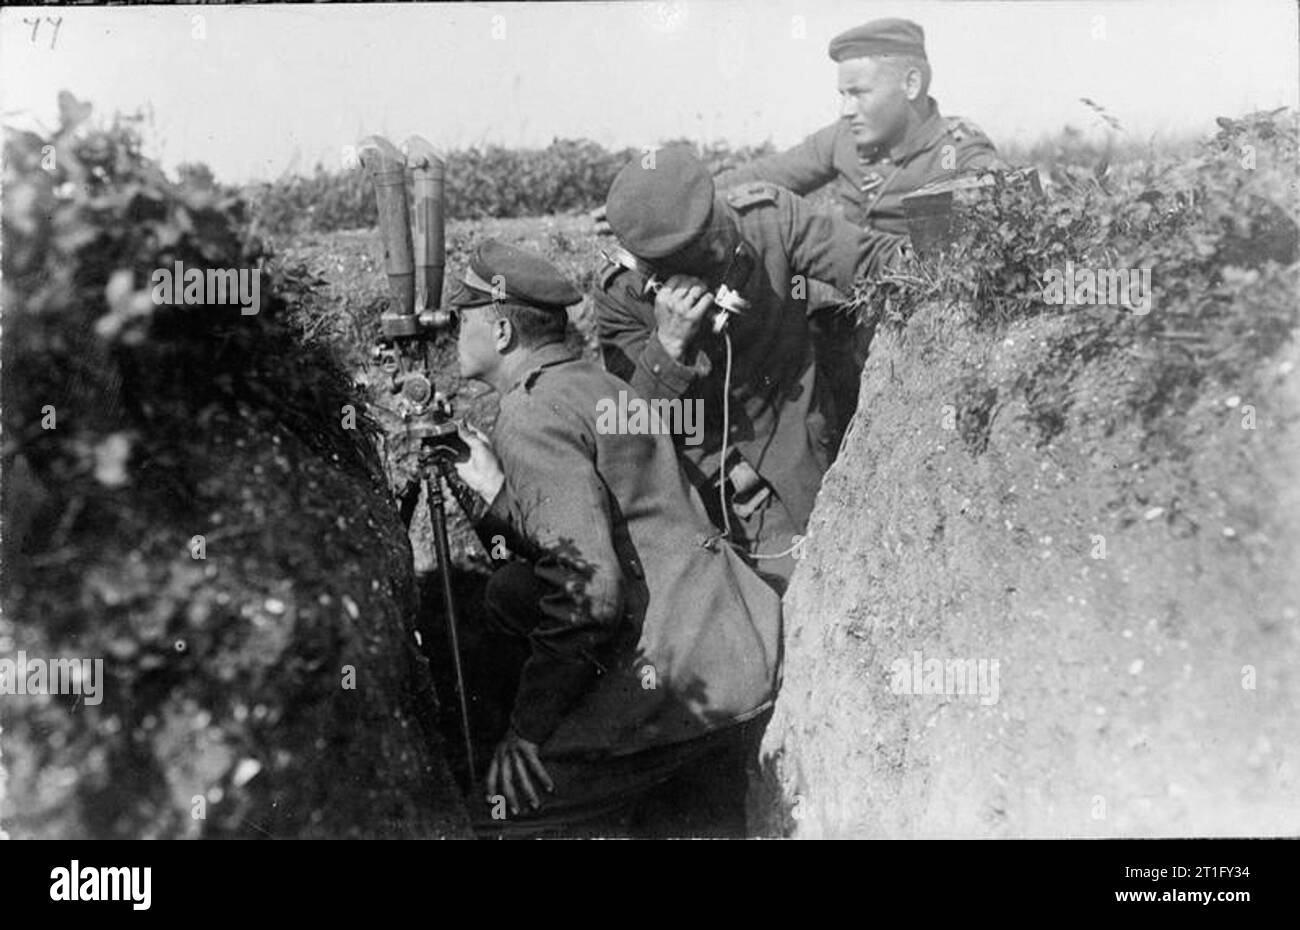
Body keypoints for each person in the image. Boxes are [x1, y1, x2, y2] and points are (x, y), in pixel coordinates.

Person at [447, 239, 782, 837]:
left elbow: (587, 597)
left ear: (501, 334)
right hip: (732, 642)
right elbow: (611, 521)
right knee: (508, 590)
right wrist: (499, 494)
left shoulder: (531, 415)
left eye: (462, 318)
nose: (453, 332)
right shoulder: (599, 386)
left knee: (494, 819)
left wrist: (526, 729)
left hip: (678, 686)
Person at [593, 145, 900, 590]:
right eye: (695, 250)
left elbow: (873, 261)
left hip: (793, 463)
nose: (719, 242)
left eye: (712, 223)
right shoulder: (622, 292)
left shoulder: (769, 218)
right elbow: (628, 431)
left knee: (809, 591)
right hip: (699, 495)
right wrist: (668, 345)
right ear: (655, 269)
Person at [714, 18, 1003, 440]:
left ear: (910, 84)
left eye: (859, 93)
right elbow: (771, 174)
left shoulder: (958, 149)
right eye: (842, 95)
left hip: (910, 321)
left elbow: (997, 214)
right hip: (844, 314)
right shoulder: (845, 139)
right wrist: (671, 199)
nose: (847, 109)